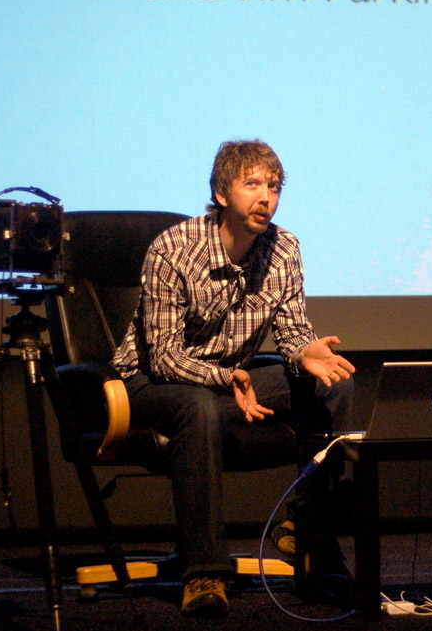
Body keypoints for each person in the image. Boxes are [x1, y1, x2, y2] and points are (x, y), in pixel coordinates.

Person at [111, 139, 355, 616]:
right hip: (150, 384)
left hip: (234, 381)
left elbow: (291, 330)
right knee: (196, 405)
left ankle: (311, 535)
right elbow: (162, 358)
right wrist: (227, 380)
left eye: (274, 186)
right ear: (222, 194)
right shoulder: (174, 249)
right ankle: (204, 571)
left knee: (337, 383)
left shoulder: (283, 247)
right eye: (253, 184)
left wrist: (305, 350)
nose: (266, 197)